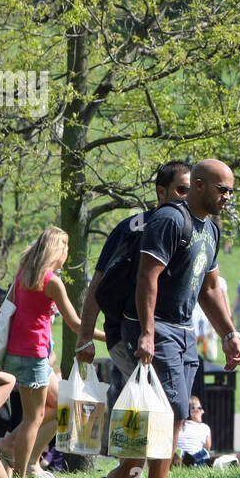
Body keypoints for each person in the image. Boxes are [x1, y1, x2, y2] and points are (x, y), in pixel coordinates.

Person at [100, 159, 240, 478]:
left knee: (167, 416)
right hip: (155, 327)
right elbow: (147, 277)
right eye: (221, 189)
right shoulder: (170, 220)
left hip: (184, 330)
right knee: (173, 413)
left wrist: (229, 333)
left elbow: (209, 288)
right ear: (198, 185)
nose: (227, 196)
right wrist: (147, 333)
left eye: (230, 190)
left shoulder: (210, 229)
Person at [78, 161, 192, 412]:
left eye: (192, 191)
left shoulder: (193, 229)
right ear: (161, 191)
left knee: (166, 413)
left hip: (170, 338)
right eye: (182, 190)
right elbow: (99, 283)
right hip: (125, 333)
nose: (187, 197)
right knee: (157, 412)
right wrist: (86, 337)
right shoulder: (132, 228)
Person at [0, 227, 103, 478]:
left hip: (20, 353)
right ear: (57, 250)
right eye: (65, 247)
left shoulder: (23, 275)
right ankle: (22, 474)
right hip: (33, 356)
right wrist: (110, 336)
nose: (67, 252)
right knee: (34, 417)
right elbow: (77, 324)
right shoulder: (51, 282)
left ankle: (23, 456)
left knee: (60, 405)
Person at [174, 395, 213, 466]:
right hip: (197, 460)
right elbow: (207, 449)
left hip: (178, 459)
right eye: (200, 408)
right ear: (192, 410)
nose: (203, 411)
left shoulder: (176, 426)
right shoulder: (204, 428)